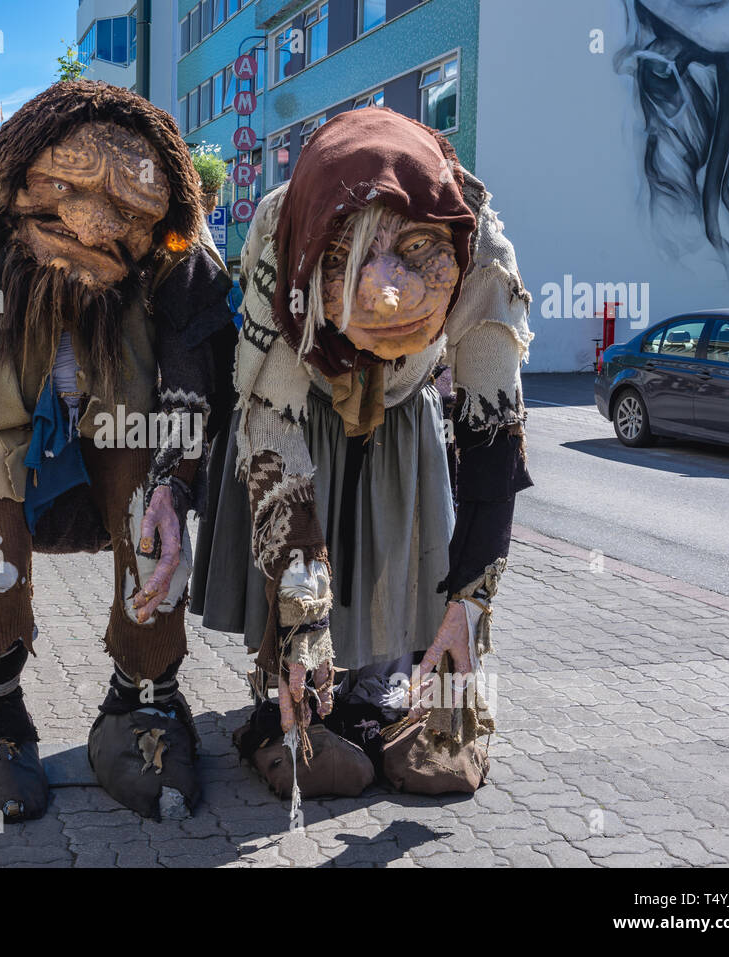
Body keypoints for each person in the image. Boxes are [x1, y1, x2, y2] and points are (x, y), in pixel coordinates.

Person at [0, 80, 234, 823]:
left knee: (152, 535)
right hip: (0, 434)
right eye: (70, 185)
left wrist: (176, 486)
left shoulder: (171, 252)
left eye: (127, 209)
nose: (94, 221)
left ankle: (146, 701)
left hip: (122, 431)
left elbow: (192, 370)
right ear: (17, 177)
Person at [191, 108, 533, 799]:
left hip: (403, 410)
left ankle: (377, 690)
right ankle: (288, 692)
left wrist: (469, 607)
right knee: (296, 585)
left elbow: (493, 444)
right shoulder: (281, 226)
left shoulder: (481, 250)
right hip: (301, 399)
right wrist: (301, 615)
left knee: (390, 556)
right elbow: (272, 425)